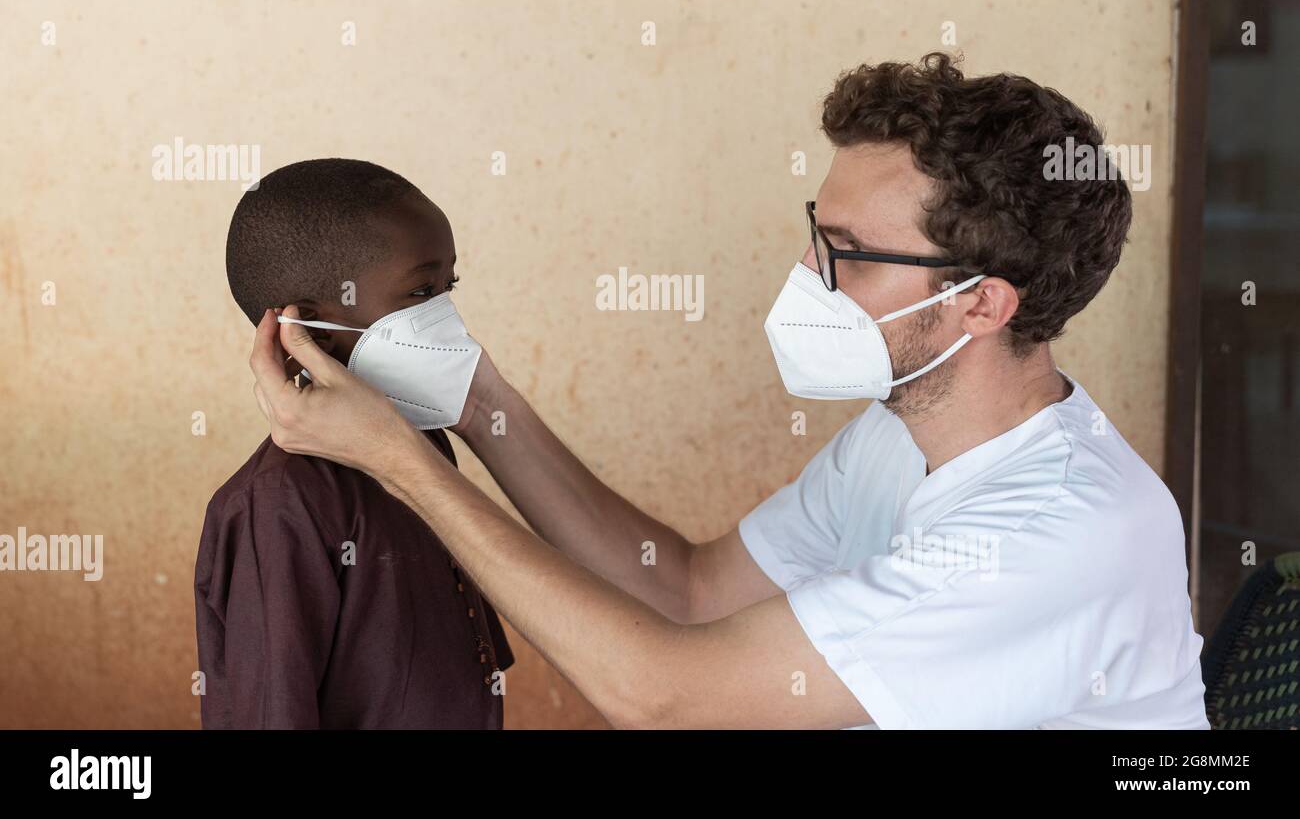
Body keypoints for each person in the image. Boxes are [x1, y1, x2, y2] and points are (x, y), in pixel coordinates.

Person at [249, 55, 1210, 729]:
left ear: (982, 305)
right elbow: (687, 592)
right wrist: (473, 398)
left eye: (848, 255)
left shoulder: (1049, 535)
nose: (804, 273)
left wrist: (399, 463)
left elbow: (666, 695)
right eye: (813, 231)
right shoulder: (901, 436)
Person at [195, 158, 513, 729]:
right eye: (421, 291)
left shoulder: (424, 446)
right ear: (311, 330)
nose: (444, 314)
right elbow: (274, 710)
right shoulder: (280, 502)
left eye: (449, 288)